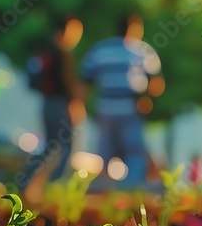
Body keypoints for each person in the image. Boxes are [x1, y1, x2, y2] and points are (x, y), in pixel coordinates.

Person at [80, 14, 161, 188]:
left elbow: (84, 83)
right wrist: (147, 98)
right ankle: (130, 194)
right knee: (134, 155)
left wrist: (81, 106)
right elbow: (157, 83)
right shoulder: (142, 51)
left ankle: (103, 195)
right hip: (130, 111)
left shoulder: (99, 50)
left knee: (105, 154)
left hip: (105, 111)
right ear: (134, 28)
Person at [17, 17, 82, 190]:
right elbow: (67, 83)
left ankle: (24, 181)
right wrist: (74, 104)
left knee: (51, 146)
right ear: (68, 29)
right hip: (59, 105)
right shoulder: (62, 53)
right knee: (65, 146)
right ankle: (55, 186)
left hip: (46, 103)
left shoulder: (45, 51)